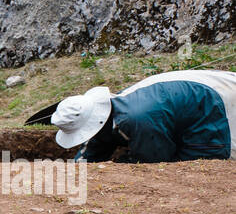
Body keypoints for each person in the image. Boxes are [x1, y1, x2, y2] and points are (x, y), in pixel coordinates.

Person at [52, 70, 236, 163]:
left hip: (213, 103)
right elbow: (95, 144)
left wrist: (119, 164)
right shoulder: (110, 111)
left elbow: (153, 161)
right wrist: (79, 171)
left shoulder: (138, 120)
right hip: (191, 96)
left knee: (197, 164)